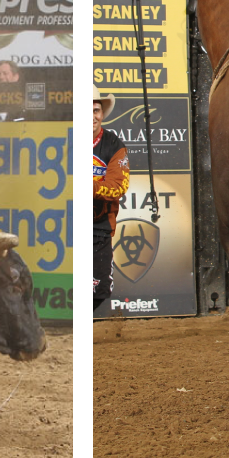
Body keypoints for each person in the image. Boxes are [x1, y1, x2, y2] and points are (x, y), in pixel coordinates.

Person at [93, 85, 129, 312]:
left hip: (98, 226)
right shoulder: (65, 138)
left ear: (102, 113)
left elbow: (118, 186)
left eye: (96, 110)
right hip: (65, 224)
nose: (92, 117)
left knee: (99, 289)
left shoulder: (114, 145)